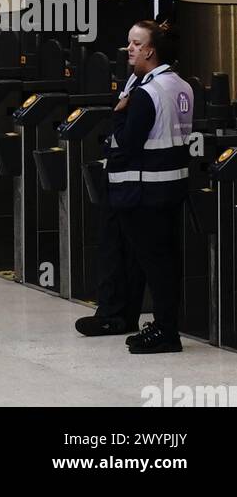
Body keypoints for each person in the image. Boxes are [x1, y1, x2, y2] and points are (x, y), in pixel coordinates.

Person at [75, 19, 192, 354]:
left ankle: (166, 331)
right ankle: (159, 325)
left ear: (151, 50)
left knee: (155, 264)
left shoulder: (146, 93)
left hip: (142, 191)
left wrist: (119, 114)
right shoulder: (180, 85)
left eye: (137, 44)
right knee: (164, 262)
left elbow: (127, 143)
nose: (130, 49)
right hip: (170, 188)